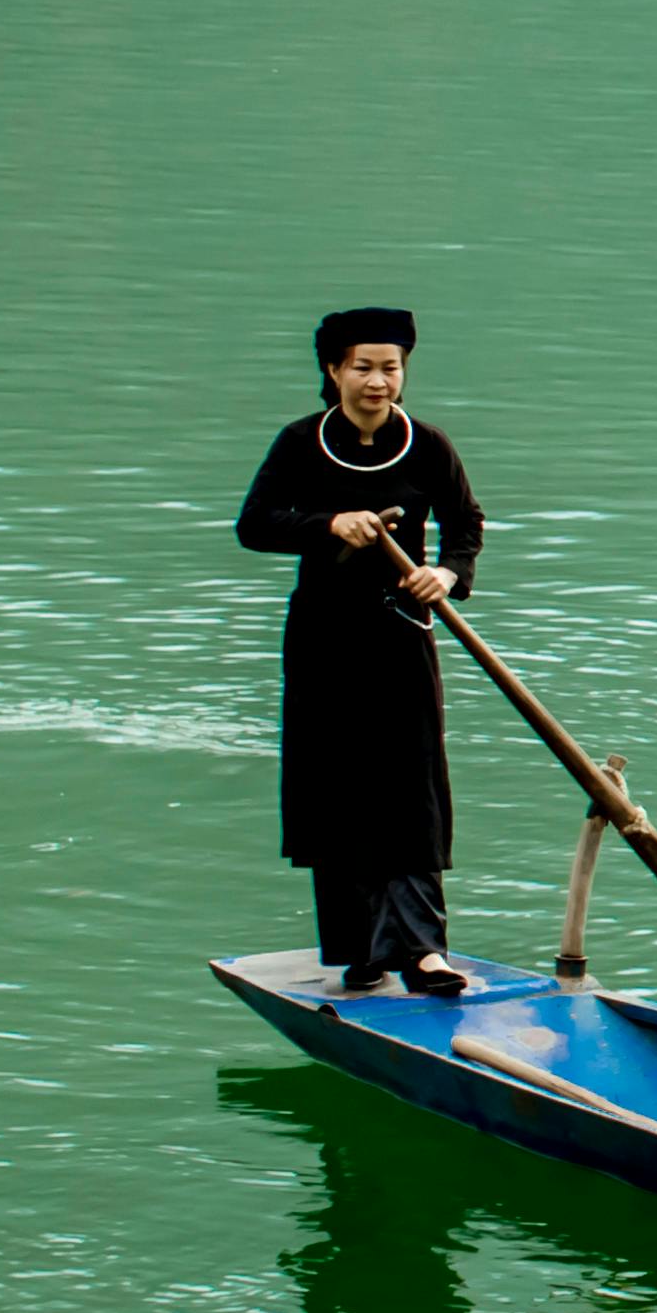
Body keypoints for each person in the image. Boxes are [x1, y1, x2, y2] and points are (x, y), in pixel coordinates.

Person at [238, 308, 485, 996]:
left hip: (403, 637)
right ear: (333, 371)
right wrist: (328, 524)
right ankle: (360, 949)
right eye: (363, 366)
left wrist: (448, 574)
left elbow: (465, 522)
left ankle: (423, 952)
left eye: (391, 367)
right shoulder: (300, 444)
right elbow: (254, 525)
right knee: (337, 789)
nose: (379, 381)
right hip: (323, 640)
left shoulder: (427, 445)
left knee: (410, 790)